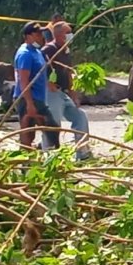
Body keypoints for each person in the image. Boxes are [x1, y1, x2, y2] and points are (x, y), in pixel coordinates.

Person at [41, 19, 92, 161]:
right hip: (51, 94)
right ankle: (50, 156)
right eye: (68, 33)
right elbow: (37, 70)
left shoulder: (66, 50)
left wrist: (73, 94)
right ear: (58, 35)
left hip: (63, 93)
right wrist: (47, 84)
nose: (71, 35)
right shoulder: (48, 50)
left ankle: (82, 152)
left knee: (80, 117)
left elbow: (68, 73)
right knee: (53, 124)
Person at [13, 21, 59, 151]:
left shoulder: (37, 52)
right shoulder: (25, 54)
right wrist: (29, 104)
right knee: (34, 132)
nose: (41, 36)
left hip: (38, 98)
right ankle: (25, 165)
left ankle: (45, 159)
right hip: (28, 99)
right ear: (28, 36)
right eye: (38, 34)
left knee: (44, 131)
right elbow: (23, 80)